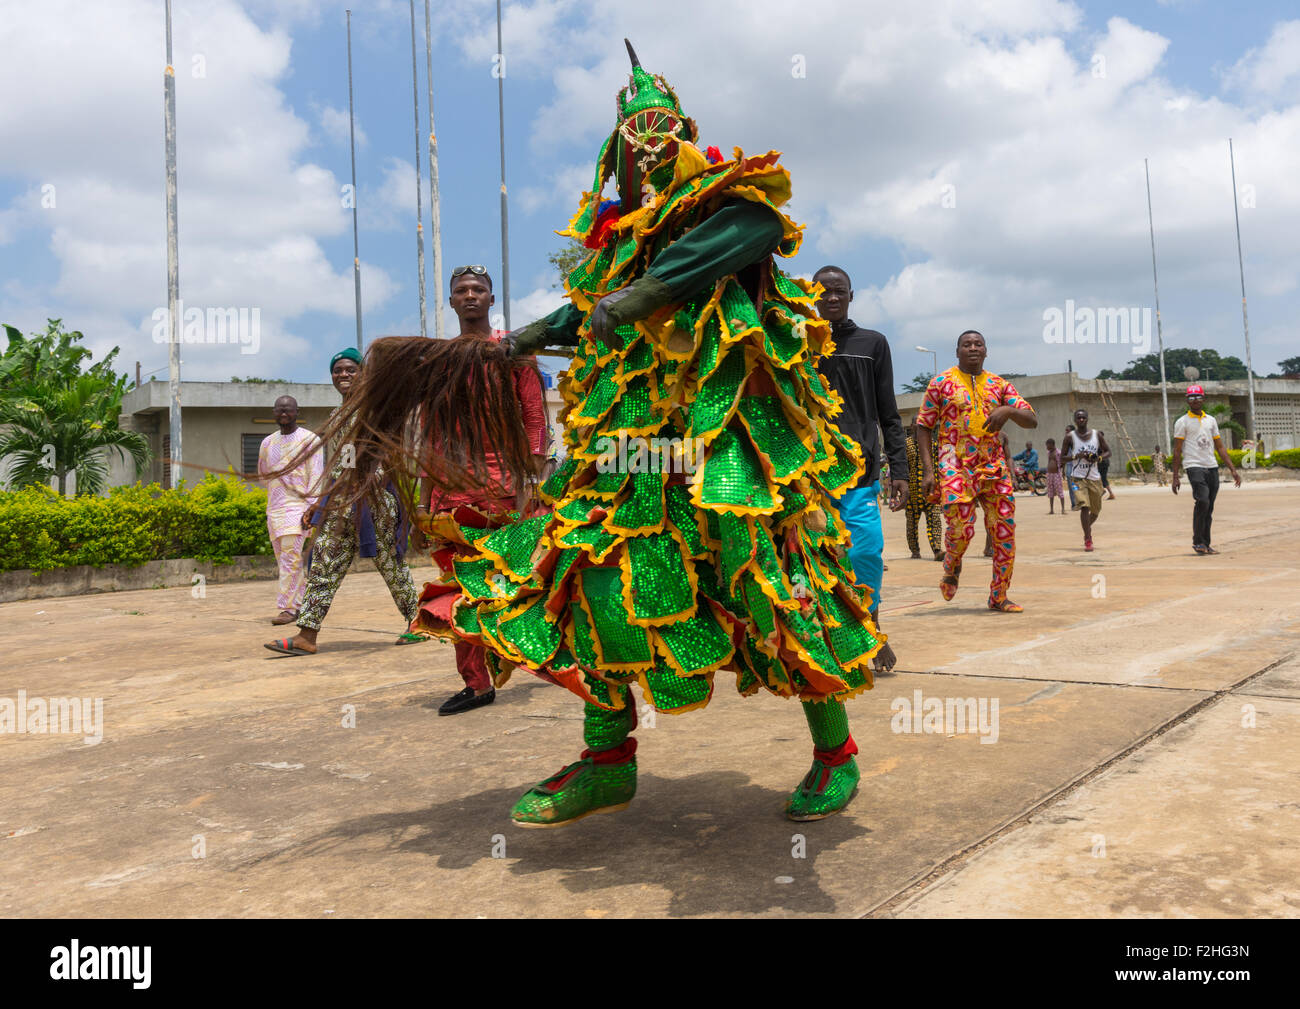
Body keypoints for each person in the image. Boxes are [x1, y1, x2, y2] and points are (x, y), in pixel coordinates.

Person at [328, 41, 886, 827]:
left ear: (687, 132)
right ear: (617, 153)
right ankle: (608, 758)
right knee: (589, 573)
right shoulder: (617, 242)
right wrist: (511, 343)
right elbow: (581, 310)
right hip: (638, 449)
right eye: (637, 134)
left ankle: (837, 752)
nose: (652, 144)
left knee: (767, 579)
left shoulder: (727, 204)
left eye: (664, 127)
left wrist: (645, 295)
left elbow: (753, 231)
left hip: (727, 444)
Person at [410, 265, 550, 715]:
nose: (470, 296)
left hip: (504, 486)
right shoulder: (439, 359)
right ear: (451, 302)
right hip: (451, 492)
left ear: (491, 300)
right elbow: (432, 432)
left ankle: (540, 659)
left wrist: (533, 480)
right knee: (456, 585)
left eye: (479, 290)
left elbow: (534, 415)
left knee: (511, 581)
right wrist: (422, 498)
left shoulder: (512, 350)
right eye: (461, 291)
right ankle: (476, 684)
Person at [263, 348, 422, 656]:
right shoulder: (338, 415)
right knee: (324, 562)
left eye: (351, 369)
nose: (343, 375)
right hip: (342, 502)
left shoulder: (376, 409)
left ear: (363, 374)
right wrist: (321, 502)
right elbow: (340, 465)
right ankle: (307, 635)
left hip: (374, 502)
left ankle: (417, 621)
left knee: (390, 564)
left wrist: (371, 481)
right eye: (338, 371)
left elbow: (391, 451)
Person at [813, 265, 908, 670]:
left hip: (860, 470)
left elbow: (889, 411)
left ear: (851, 296)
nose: (832, 298)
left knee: (866, 552)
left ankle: (871, 626)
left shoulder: (874, 343)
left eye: (839, 291)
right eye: (824, 292)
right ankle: (822, 643)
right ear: (813, 297)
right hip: (809, 473)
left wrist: (900, 469)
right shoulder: (797, 344)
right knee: (813, 559)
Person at [916, 330, 1037, 612]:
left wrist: (1008, 410)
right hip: (954, 465)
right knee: (961, 529)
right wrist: (929, 470)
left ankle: (999, 596)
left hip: (993, 466)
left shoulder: (999, 385)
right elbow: (923, 426)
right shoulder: (941, 383)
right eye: (966, 344)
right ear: (957, 351)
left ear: (986, 351)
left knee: (1004, 531)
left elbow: (1031, 420)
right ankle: (952, 562)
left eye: (978, 344)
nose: (973, 348)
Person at [258, 395, 323, 624]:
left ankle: (287, 608)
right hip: (274, 509)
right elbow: (263, 474)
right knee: (286, 560)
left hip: (298, 509)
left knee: (290, 559)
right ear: (274, 412)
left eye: (288, 409)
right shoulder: (267, 443)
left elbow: (316, 476)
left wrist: (311, 508)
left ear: (297, 411)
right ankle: (303, 604)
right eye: (279, 409)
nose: (283, 413)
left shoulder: (310, 440)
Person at [1171, 385, 1241, 554]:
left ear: (1203, 399)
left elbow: (1220, 447)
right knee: (1202, 501)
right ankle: (1197, 541)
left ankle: (1205, 544)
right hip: (1194, 466)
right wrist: (1175, 476)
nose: (1195, 400)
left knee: (1209, 507)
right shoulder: (1182, 422)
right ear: (1187, 400)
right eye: (1191, 398)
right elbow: (1177, 450)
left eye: (1198, 397)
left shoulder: (1211, 420)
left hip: (1211, 466)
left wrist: (1233, 469)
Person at [1062, 408, 1109, 552]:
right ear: (1075, 420)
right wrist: (1077, 456)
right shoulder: (1070, 437)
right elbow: (1062, 457)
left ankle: (1086, 529)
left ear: (1087, 419)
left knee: (1095, 511)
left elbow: (1108, 451)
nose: (1081, 420)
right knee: (1084, 506)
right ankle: (1088, 539)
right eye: (1078, 418)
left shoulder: (1096, 435)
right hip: (1077, 477)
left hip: (1094, 478)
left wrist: (1098, 458)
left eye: (1083, 417)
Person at [904, 420, 943, 560]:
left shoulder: (933, 444)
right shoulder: (906, 445)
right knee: (912, 524)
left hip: (931, 491)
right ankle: (915, 551)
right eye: (916, 423)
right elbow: (903, 468)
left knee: (935, 520)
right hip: (912, 492)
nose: (919, 426)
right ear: (911, 426)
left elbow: (938, 466)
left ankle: (937, 550)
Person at [1044, 438, 1066, 515]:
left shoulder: (1058, 453)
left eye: (1047, 445)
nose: (1046, 447)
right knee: (1050, 491)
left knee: (1059, 491)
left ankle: (1063, 509)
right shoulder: (1048, 452)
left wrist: (1063, 472)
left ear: (1052, 444)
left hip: (1056, 474)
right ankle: (1051, 510)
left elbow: (1063, 462)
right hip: (1049, 474)